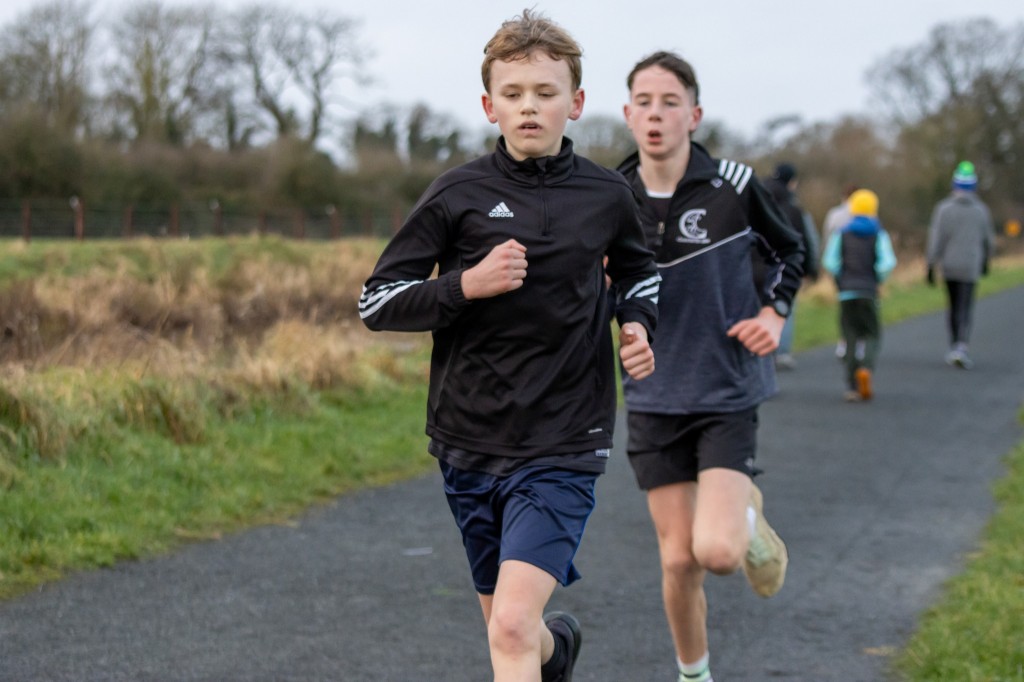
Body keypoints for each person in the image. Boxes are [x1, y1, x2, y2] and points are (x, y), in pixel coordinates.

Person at [359, 10, 660, 681]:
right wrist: (467, 284)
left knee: (514, 625)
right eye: (515, 94)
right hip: (469, 436)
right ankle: (559, 655)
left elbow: (641, 272)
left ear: (575, 103)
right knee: (514, 634)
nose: (530, 107)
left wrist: (637, 324)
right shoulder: (457, 193)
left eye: (546, 93)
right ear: (489, 105)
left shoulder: (608, 195)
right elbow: (375, 302)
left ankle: (542, 647)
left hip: (566, 436)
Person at [616, 50, 804, 682]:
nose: (656, 114)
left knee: (717, 553)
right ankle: (694, 675)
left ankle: (745, 516)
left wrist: (774, 315)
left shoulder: (735, 184)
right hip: (650, 395)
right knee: (677, 562)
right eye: (644, 102)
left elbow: (791, 251)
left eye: (670, 102)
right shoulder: (610, 198)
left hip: (725, 388)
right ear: (626, 114)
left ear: (693, 114)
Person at [821, 189, 898, 401]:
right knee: (872, 334)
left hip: (846, 292)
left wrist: (840, 280)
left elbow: (830, 262)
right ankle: (866, 367)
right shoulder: (879, 234)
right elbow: (887, 263)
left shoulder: (842, 233)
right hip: (868, 291)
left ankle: (851, 386)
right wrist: (878, 280)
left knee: (850, 335)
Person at [925, 161, 997, 369]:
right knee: (965, 306)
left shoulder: (943, 209)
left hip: (949, 265)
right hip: (971, 265)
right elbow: (988, 241)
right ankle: (962, 345)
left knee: (953, 305)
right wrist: (985, 261)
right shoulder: (981, 211)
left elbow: (936, 239)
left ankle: (954, 344)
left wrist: (930, 264)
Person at [763, 163, 820, 370]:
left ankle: (760, 355)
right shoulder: (793, 208)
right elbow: (805, 240)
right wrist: (810, 269)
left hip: (756, 266)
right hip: (784, 266)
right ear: (791, 182)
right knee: (784, 306)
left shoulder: (754, 197)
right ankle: (781, 353)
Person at [822, 185, 858, 360]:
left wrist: (828, 264)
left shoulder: (835, 214)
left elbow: (827, 238)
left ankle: (844, 343)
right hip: (861, 268)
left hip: (841, 268)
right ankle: (857, 343)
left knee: (845, 307)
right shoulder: (866, 214)